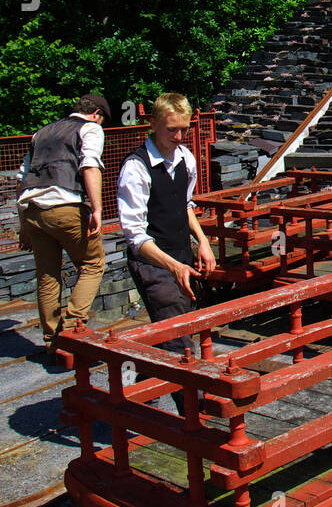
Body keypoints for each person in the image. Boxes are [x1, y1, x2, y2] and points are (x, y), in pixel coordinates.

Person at [117, 93, 216, 369]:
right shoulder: (135, 168)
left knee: (175, 330)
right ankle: (194, 407)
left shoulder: (186, 158)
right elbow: (135, 237)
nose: (179, 136)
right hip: (152, 263)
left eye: (184, 129)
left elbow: (184, 205)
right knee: (178, 339)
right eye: (172, 129)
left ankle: (142, 392)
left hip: (181, 255)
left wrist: (203, 242)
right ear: (153, 124)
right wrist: (174, 267)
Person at [16, 92, 111, 361]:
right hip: (65, 206)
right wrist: (97, 208)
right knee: (92, 265)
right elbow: (90, 165)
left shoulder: (41, 133)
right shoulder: (90, 128)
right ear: (97, 114)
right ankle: (70, 333)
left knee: (47, 275)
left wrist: (23, 224)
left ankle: (51, 341)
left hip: (33, 212)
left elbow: (22, 179)